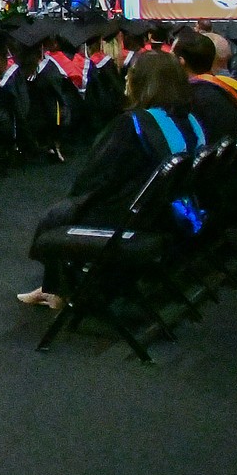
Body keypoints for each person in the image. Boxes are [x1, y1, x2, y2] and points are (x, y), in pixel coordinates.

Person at [20, 51, 208, 309]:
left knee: (60, 214)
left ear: (143, 82)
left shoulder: (134, 124)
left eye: (130, 75)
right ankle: (58, 288)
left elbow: (95, 177)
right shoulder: (190, 120)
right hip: (173, 212)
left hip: (137, 217)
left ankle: (59, 291)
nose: (126, 81)